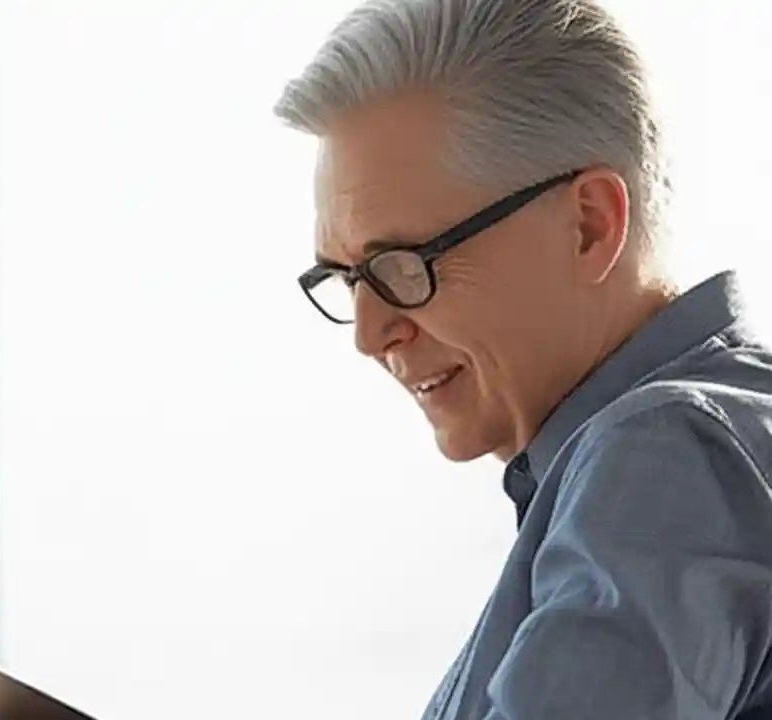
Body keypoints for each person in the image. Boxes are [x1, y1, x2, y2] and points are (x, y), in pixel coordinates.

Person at [275, 1, 772, 717]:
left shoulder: (668, 452)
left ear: (587, 225)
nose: (371, 332)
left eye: (401, 265)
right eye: (347, 280)